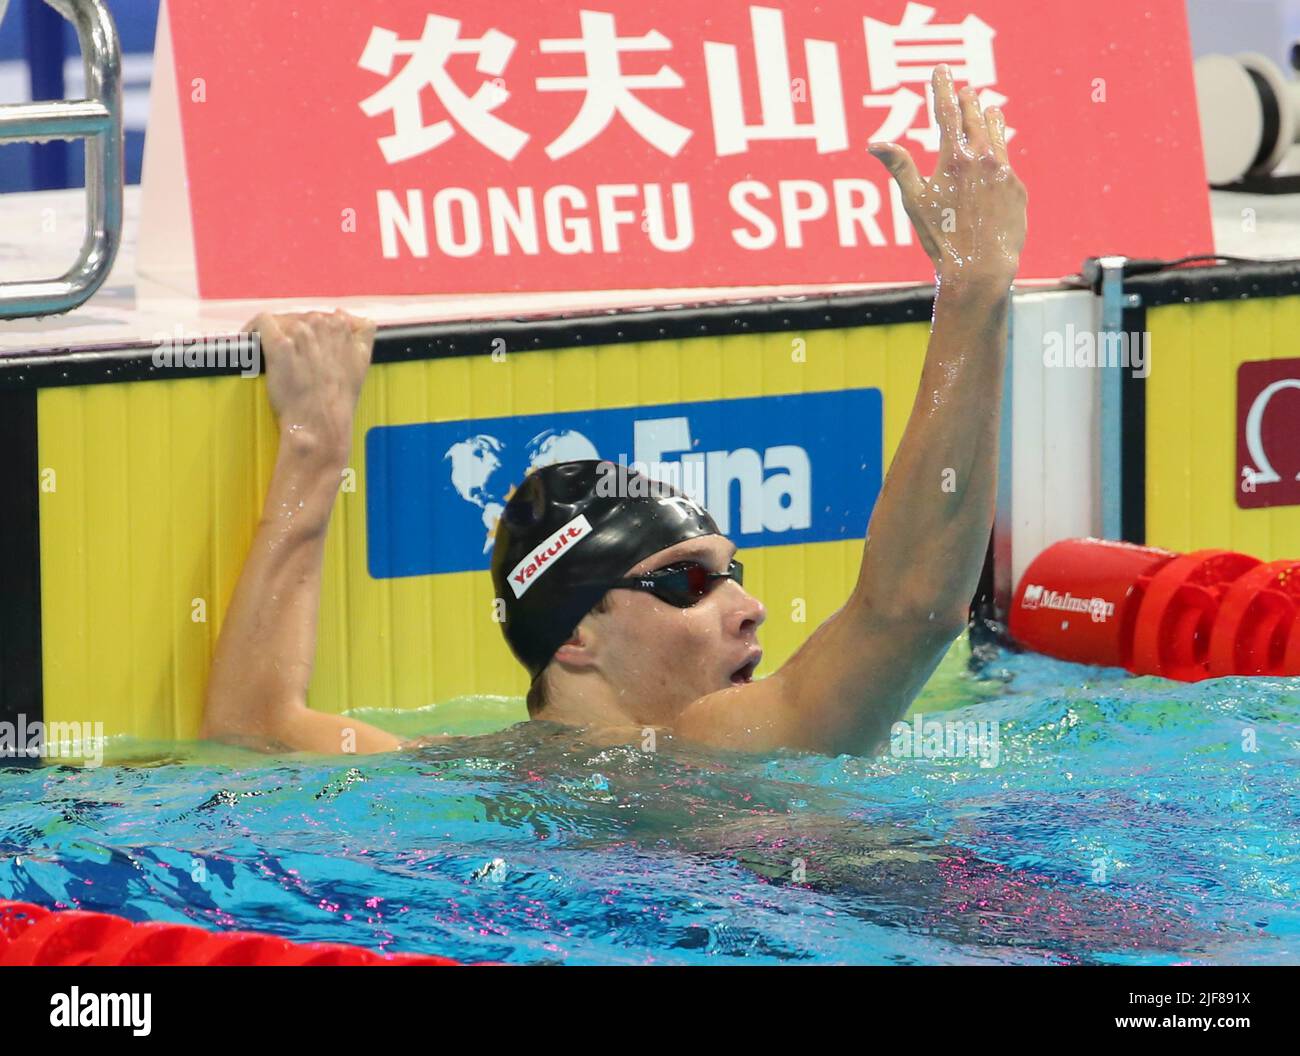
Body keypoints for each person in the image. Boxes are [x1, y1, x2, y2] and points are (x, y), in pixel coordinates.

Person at [200, 64, 1027, 758]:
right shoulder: (707, 754)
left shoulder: (451, 777)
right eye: (689, 582)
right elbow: (913, 609)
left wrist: (313, 448)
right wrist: (974, 292)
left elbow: (250, 723)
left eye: (731, 575)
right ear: (575, 636)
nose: (750, 607)